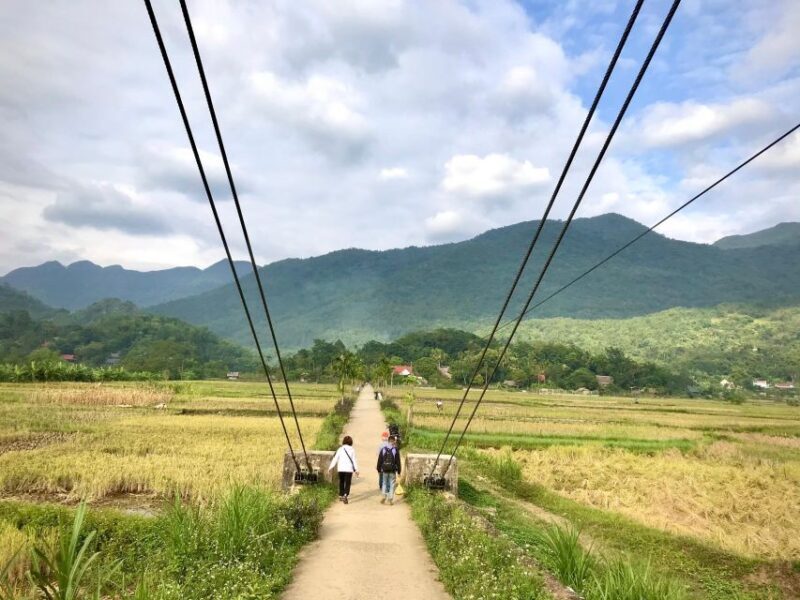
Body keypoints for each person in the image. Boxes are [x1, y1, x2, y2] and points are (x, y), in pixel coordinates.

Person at [329, 435, 359, 504]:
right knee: (347, 483)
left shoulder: (340, 449)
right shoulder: (352, 450)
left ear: (343, 442)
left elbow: (335, 459)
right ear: (351, 442)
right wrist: (356, 470)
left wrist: (331, 467)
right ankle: (345, 495)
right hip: (349, 469)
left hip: (341, 469)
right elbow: (354, 460)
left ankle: (341, 495)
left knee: (341, 482)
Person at [377, 435, 401, 505]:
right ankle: (390, 498)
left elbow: (380, 460)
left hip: (384, 470)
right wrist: (399, 471)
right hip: (392, 470)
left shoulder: (383, 449)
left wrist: (379, 470)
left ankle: (384, 496)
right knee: (392, 484)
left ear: (388, 441)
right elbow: (398, 462)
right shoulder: (395, 450)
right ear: (394, 441)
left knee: (384, 483)